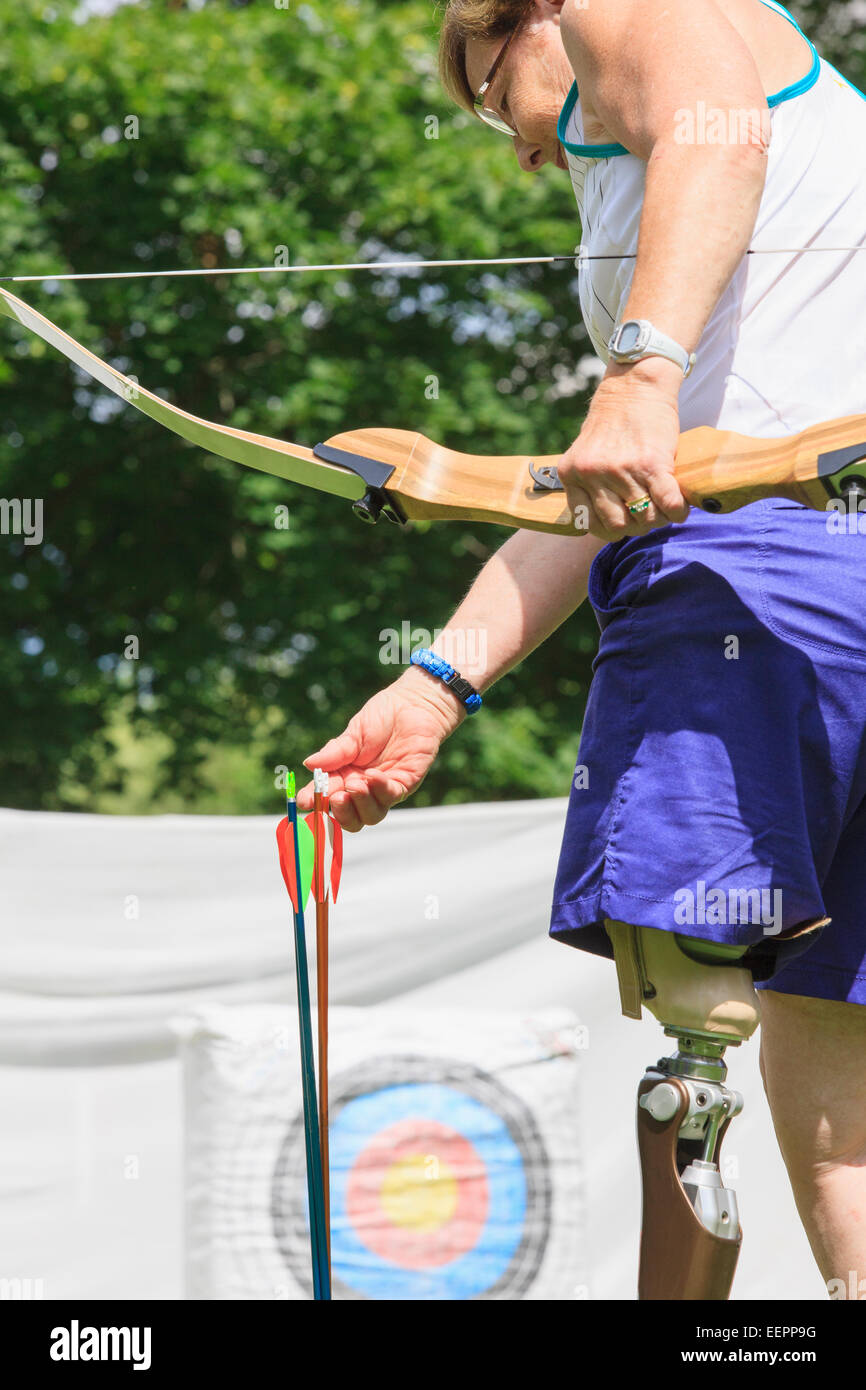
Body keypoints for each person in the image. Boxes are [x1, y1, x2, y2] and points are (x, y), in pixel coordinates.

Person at [298, 0, 866, 1295]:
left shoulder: (632, 12)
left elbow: (710, 130)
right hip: (833, 582)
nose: (527, 150)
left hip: (741, 589)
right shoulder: (685, 233)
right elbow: (606, 487)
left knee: (692, 1025)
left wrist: (640, 371)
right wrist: (436, 681)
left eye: (501, 98)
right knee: (828, 1030)